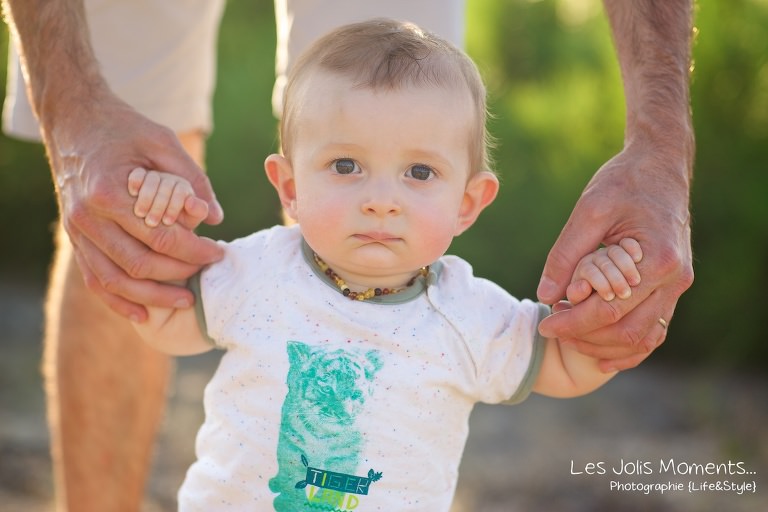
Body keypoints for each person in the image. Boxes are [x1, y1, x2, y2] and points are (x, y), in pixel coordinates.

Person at [1, 0, 694, 509]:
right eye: (345, 166)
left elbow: (571, 358)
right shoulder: (254, 272)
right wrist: (152, 210)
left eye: (419, 173)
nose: (381, 200)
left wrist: (608, 290)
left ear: (470, 202)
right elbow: (158, 308)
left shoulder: (471, 316)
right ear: (290, 186)